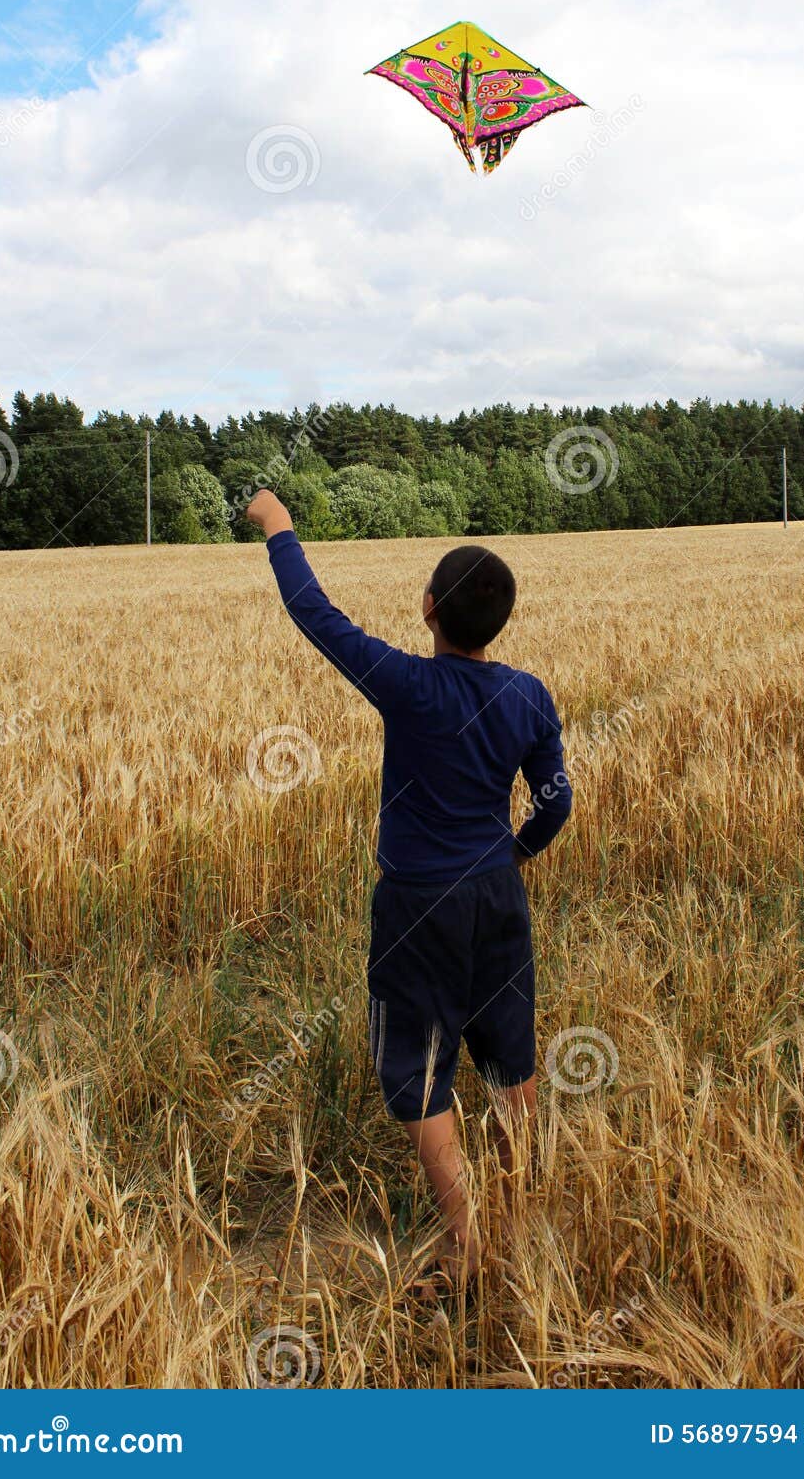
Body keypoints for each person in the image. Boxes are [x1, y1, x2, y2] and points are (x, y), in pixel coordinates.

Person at [246, 489, 572, 1289]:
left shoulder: (407, 685)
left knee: (418, 1069)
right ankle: (521, 1207)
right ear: (500, 622)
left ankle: (467, 1240)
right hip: (495, 894)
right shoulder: (528, 695)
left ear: (428, 608)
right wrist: (513, 854)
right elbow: (555, 800)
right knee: (509, 1048)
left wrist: (278, 525)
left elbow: (314, 613)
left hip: (417, 906)